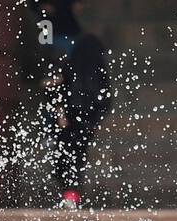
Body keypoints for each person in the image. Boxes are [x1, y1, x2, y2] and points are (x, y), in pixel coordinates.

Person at [20, 0, 111, 209]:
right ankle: (70, 191)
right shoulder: (58, 44)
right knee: (66, 145)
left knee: (70, 146)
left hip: (78, 101)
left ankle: (71, 192)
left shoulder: (83, 48)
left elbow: (98, 88)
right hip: (69, 95)